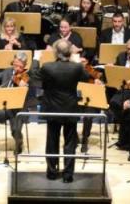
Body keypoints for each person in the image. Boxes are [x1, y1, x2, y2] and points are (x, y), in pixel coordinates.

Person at [37, 39, 91, 183]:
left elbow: (35, 76)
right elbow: (87, 78)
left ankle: (52, 172)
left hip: (53, 109)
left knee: (52, 142)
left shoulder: (47, 67)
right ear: (69, 52)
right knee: (70, 143)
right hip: (70, 109)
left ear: (55, 52)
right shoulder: (77, 67)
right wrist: (76, 60)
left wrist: (36, 59)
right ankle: (68, 175)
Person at [0, 52, 30, 160]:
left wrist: (22, 86)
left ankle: (19, 143)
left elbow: (27, 93)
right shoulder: (8, 71)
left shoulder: (26, 76)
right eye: (15, 65)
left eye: (20, 66)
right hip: (5, 108)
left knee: (15, 131)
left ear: (25, 65)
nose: (17, 68)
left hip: (18, 110)